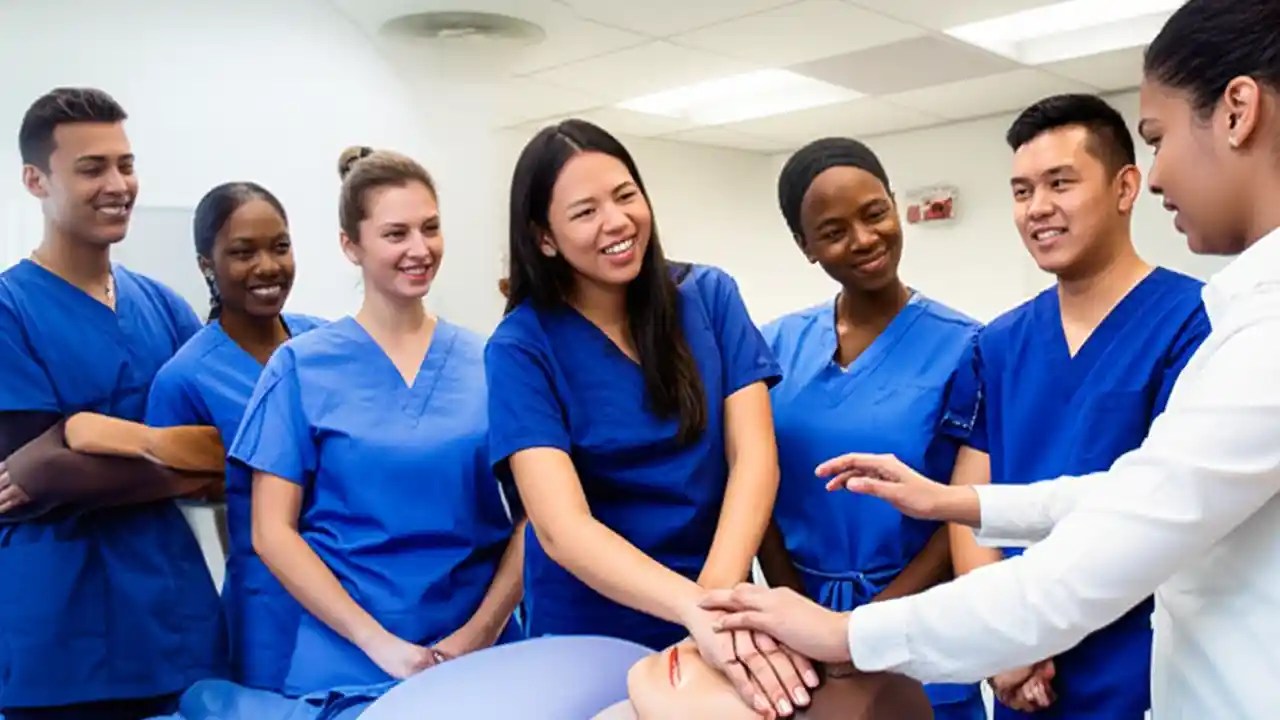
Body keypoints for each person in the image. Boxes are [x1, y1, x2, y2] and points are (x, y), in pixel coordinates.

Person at [698, 1, 1280, 716]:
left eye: (1156, 140)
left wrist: (850, 631)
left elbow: (1126, 535)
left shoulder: (1230, 330)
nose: (1159, 178)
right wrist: (954, 502)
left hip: (1125, 655)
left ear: (1238, 111)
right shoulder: (1005, 343)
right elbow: (1132, 493)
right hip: (1018, 640)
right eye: (1022, 190)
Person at [485, 118, 817, 717]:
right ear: (544, 238)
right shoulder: (522, 346)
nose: (616, 221)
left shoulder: (710, 297)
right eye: (584, 212)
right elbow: (562, 527)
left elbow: (754, 460)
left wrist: (715, 601)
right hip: (590, 628)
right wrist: (693, 607)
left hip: (717, 597)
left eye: (625, 195)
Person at [942, 93, 1206, 718]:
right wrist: (1001, 636)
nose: (1038, 208)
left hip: (1139, 665)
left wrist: (1038, 633)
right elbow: (968, 501)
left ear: (1125, 187)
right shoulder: (998, 344)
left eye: (1060, 183)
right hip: (1018, 674)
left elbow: (1172, 513)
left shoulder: (1193, 325)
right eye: (1021, 191)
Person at [227, 146, 524, 699]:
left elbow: (540, 519)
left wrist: (478, 635)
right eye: (396, 234)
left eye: (430, 229)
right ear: (351, 246)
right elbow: (272, 531)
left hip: (481, 655)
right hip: (346, 659)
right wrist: (377, 643)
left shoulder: (492, 362)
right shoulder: (301, 367)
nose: (420, 249)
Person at [0, 87, 225, 719]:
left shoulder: (164, 307)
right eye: (91, 167)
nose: (117, 184)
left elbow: (226, 449)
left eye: (125, 164)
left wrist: (79, 451)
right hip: (62, 640)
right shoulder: (10, 308)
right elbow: (32, 470)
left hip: (174, 622)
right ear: (35, 180)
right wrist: (185, 468)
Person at [754, 137, 984, 720]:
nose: (863, 239)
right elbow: (753, 484)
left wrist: (868, 626)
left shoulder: (970, 348)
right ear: (806, 247)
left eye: (874, 212)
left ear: (894, 204)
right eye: (832, 231)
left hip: (920, 625)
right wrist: (802, 616)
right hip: (800, 637)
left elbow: (965, 510)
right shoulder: (773, 348)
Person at [145, 181, 325, 692]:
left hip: (362, 583)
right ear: (207, 265)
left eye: (281, 246)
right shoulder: (185, 378)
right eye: (243, 253)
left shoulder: (329, 345)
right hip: (269, 606)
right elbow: (185, 506)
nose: (268, 266)